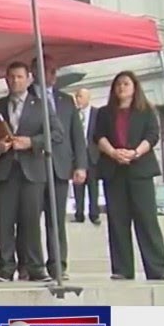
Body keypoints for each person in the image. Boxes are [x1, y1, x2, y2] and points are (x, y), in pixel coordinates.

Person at [0, 62, 58, 281]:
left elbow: (55, 134)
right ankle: (5, 267)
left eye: (20, 77)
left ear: (29, 79)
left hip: (32, 171)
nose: (15, 81)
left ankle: (34, 266)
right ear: (6, 79)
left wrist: (31, 142)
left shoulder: (40, 105)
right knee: (4, 220)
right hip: (4, 171)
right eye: (11, 77)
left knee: (31, 220)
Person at [93, 71, 164, 281]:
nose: (122, 88)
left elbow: (153, 135)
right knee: (118, 221)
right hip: (114, 170)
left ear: (134, 87)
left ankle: (158, 269)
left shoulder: (146, 111)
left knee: (147, 220)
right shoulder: (104, 113)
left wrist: (135, 152)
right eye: (118, 84)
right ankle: (122, 269)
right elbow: (98, 136)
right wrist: (113, 152)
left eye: (126, 84)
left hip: (140, 170)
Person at [31, 55, 86, 281]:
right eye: (47, 70)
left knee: (56, 220)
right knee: (32, 219)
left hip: (60, 166)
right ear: (35, 71)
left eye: (54, 70)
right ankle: (32, 265)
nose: (52, 75)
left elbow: (77, 136)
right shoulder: (27, 97)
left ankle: (58, 264)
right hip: (33, 165)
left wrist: (80, 165)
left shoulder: (65, 101)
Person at [72, 87, 101, 225]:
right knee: (78, 185)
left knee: (93, 185)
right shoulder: (73, 114)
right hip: (77, 155)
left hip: (92, 155)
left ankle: (94, 213)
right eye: (76, 96)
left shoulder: (97, 113)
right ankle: (79, 213)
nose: (77, 99)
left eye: (80, 96)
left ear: (88, 98)